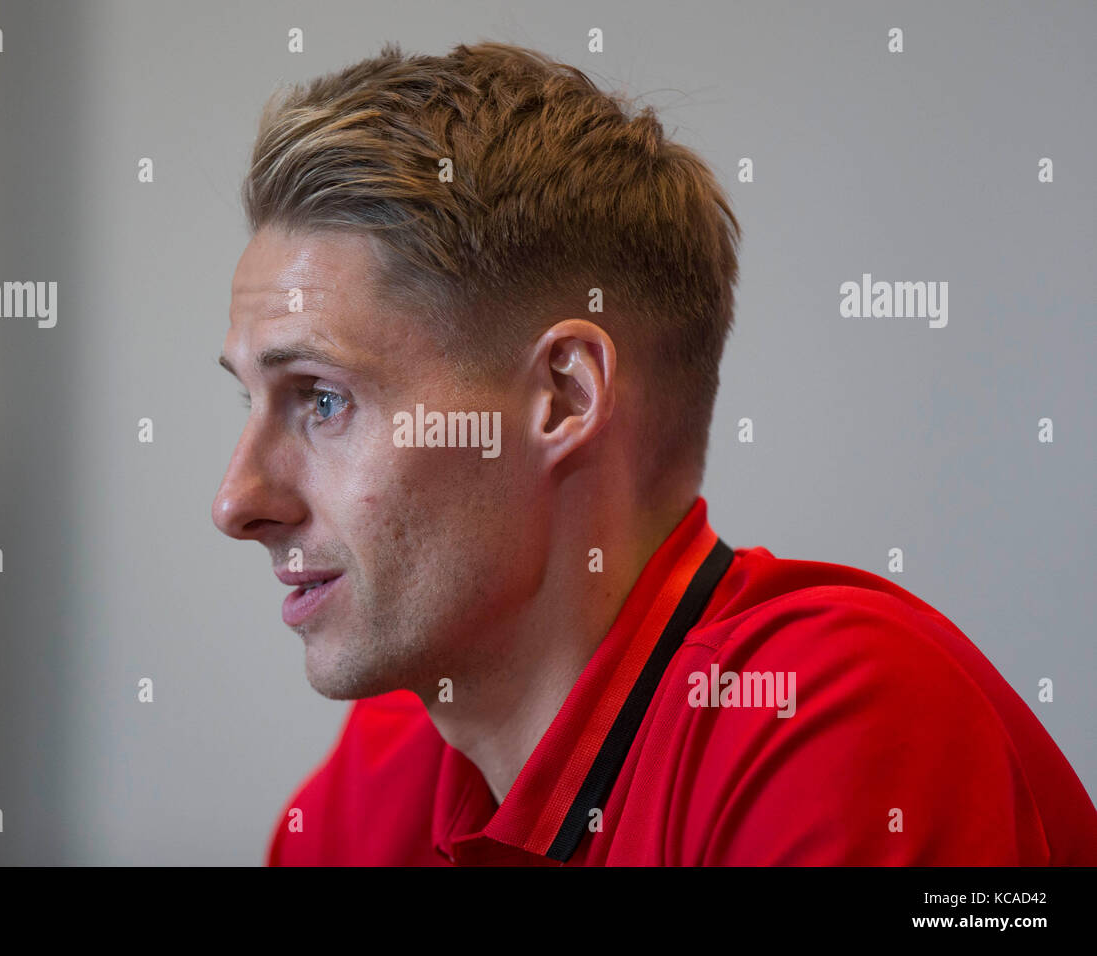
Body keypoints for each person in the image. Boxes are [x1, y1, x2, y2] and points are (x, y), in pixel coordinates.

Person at [210, 41, 1097, 865]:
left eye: (322, 401)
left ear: (564, 396)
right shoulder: (384, 774)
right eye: (250, 401)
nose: (238, 501)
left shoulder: (831, 718)